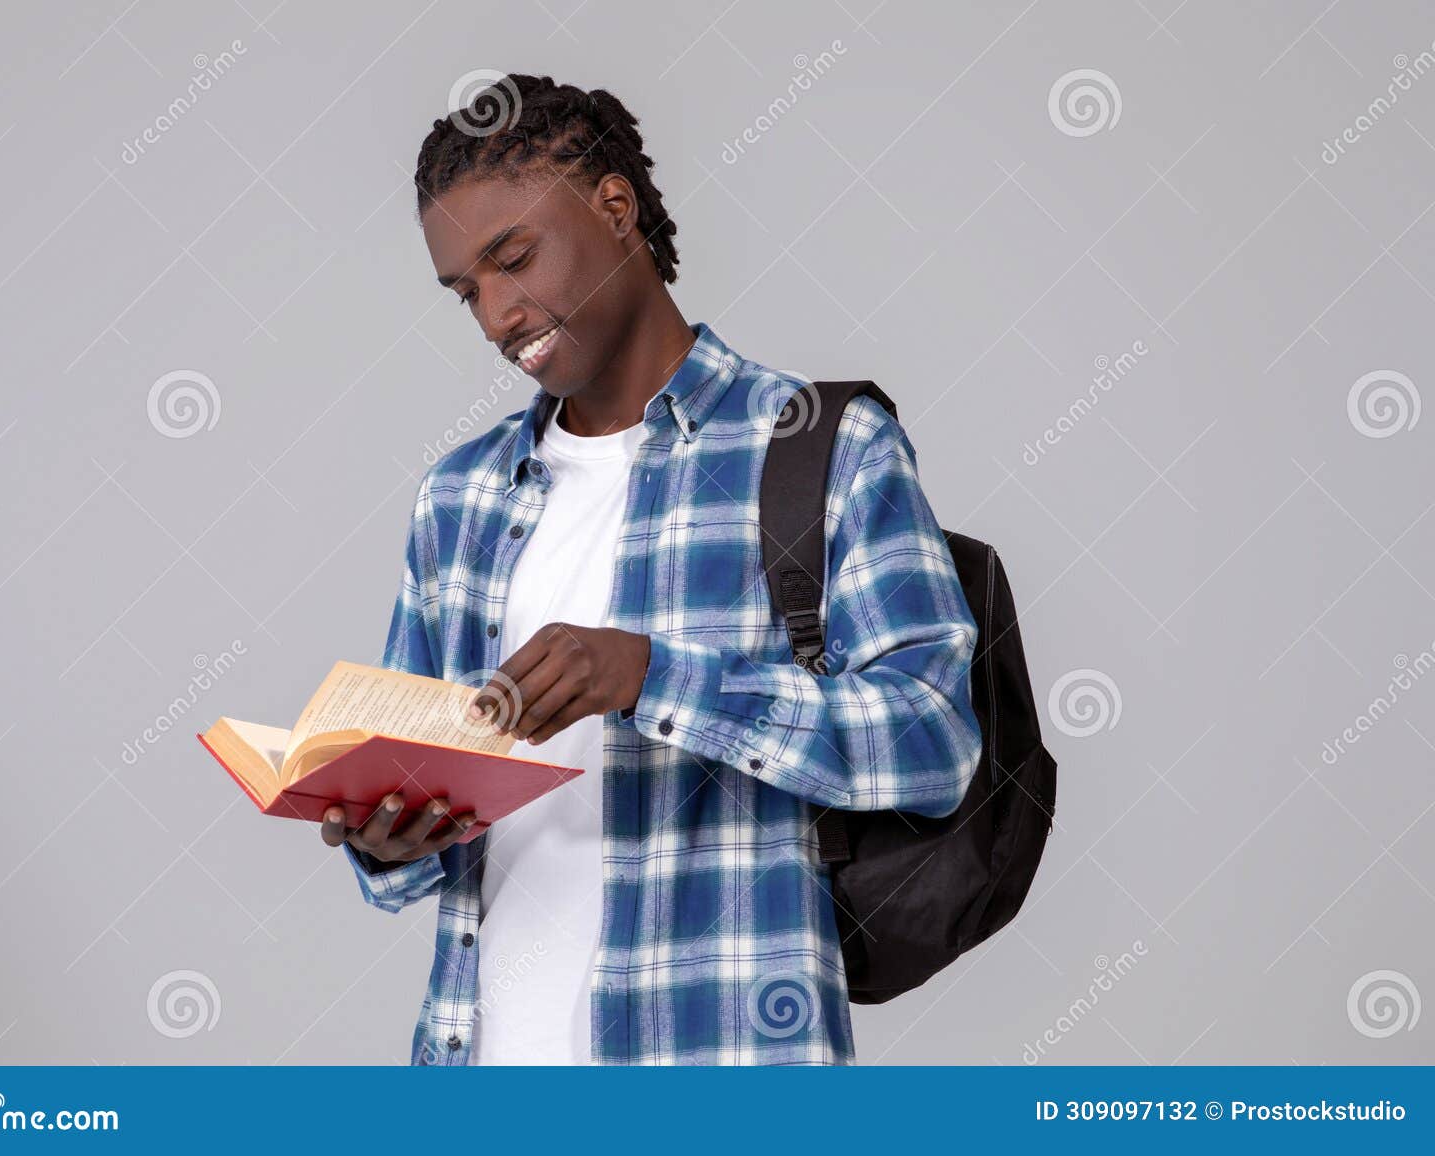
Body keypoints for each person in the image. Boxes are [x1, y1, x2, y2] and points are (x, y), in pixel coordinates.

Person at [319, 74, 981, 1066]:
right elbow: (416, 798)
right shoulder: (459, 499)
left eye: (513, 259)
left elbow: (935, 745)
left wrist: (652, 677)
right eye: (467, 291)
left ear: (613, 206)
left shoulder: (821, 448)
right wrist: (384, 836)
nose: (498, 314)